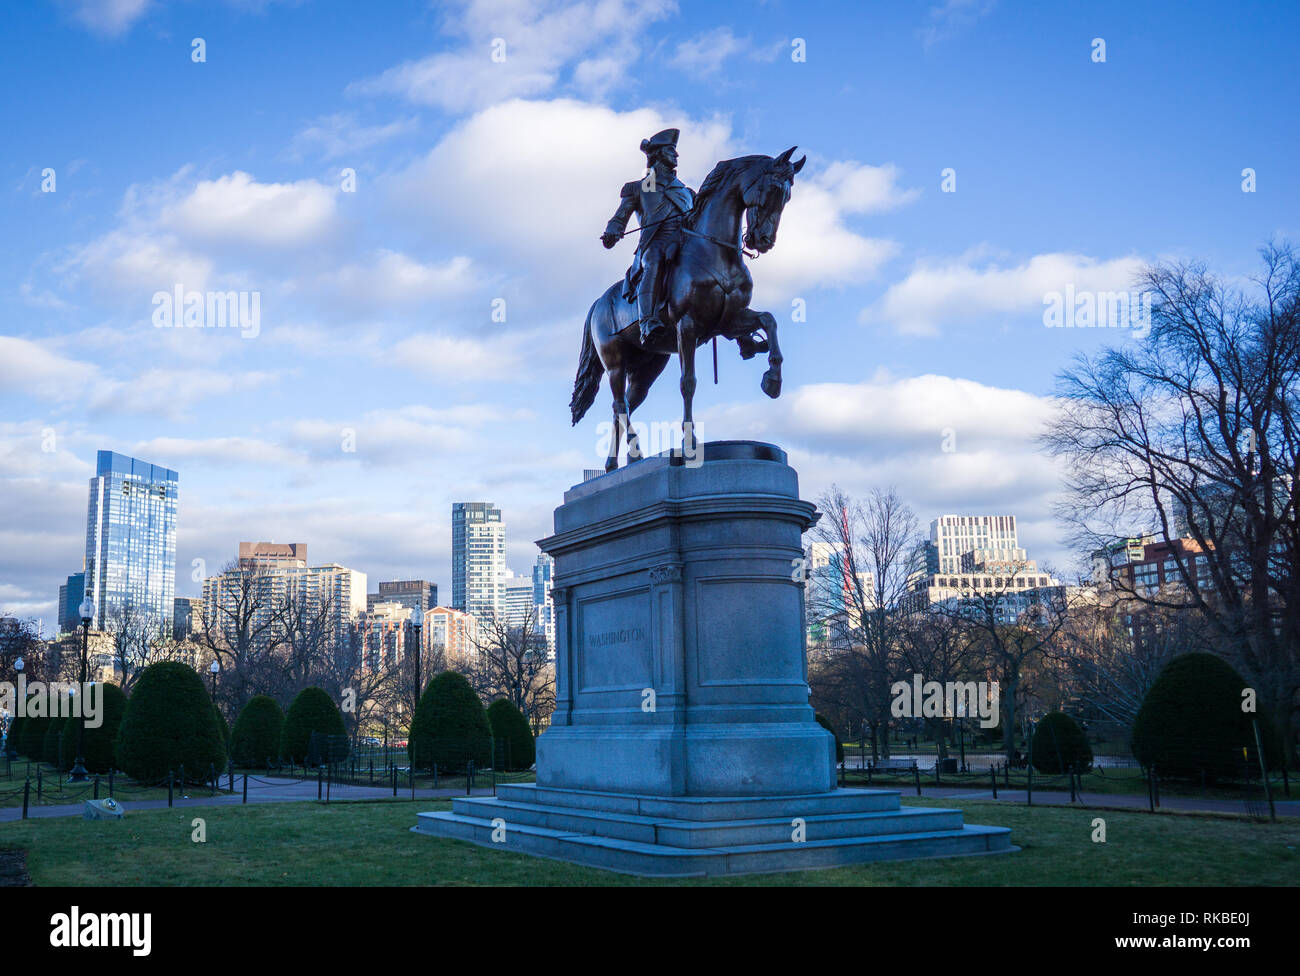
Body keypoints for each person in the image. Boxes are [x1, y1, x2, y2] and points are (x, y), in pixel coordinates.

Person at [601, 128, 695, 345]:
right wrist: (612, 232)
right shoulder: (639, 188)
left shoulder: (687, 192)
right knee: (653, 262)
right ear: (659, 153)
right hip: (656, 243)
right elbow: (620, 217)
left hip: (685, 243)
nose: (677, 155)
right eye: (672, 150)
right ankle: (647, 321)